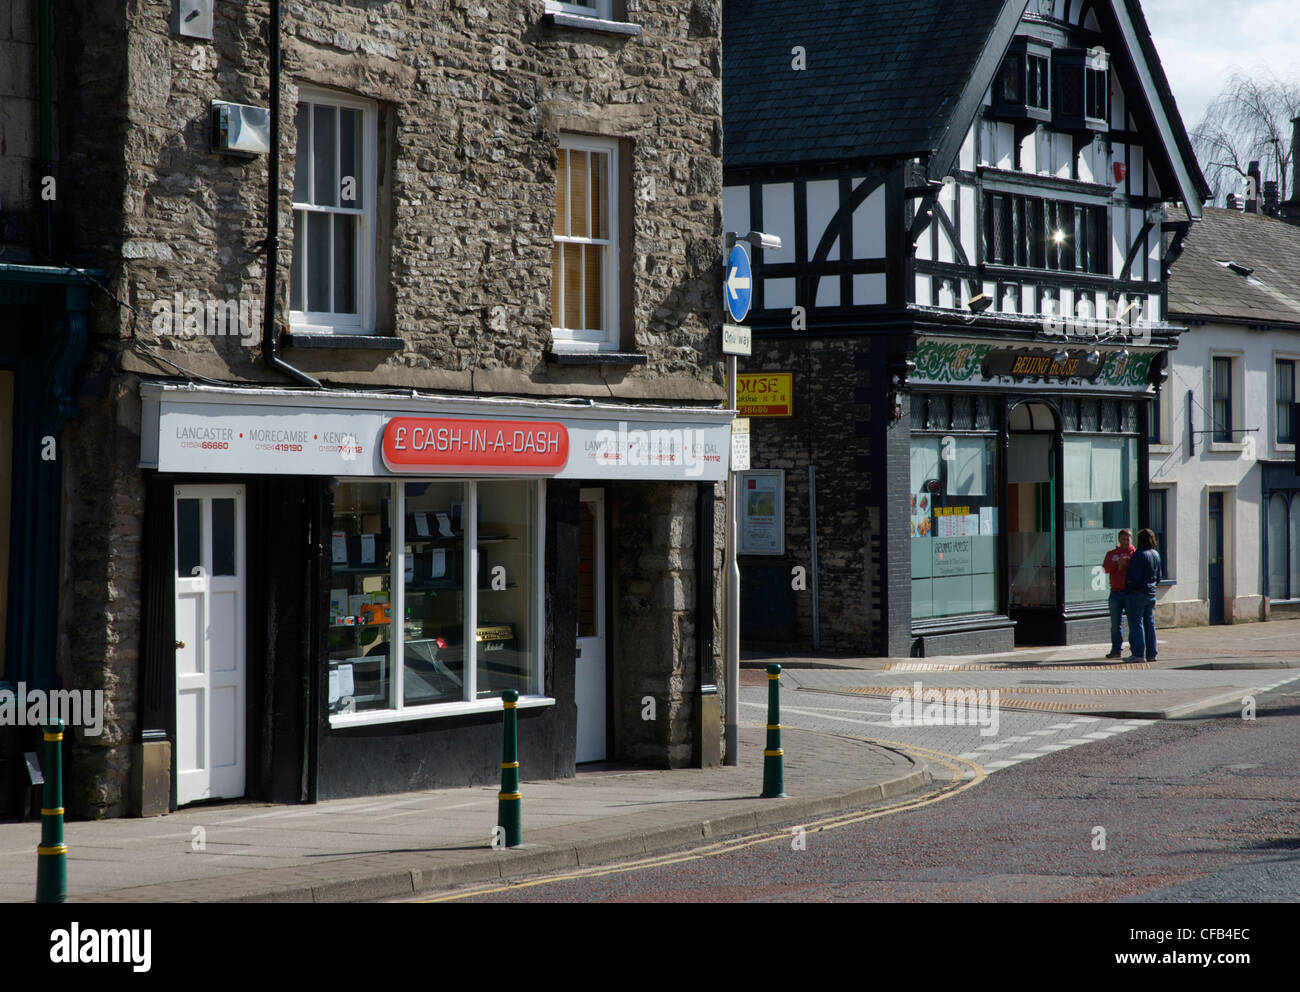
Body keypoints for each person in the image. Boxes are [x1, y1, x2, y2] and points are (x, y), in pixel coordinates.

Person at [1124, 528, 1161, 662]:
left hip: (1137, 593)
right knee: (1149, 623)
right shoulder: (1156, 554)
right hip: (1151, 593)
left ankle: (1139, 654)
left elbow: (1133, 577)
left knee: (1136, 624)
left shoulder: (1139, 555)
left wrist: (1128, 590)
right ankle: (1152, 653)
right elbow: (1158, 577)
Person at [1101, 529, 1133, 660]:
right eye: (1123, 539)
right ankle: (1116, 650)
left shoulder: (1135, 554)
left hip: (1130, 593)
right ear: (1119, 540)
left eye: (1128, 539)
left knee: (1133, 623)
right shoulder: (1111, 553)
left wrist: (1127, 564)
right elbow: (1105, 568)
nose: (1125, 542)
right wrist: (1117, 565)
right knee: (1115, 624)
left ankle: (1136, 650)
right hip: (1115, 593)